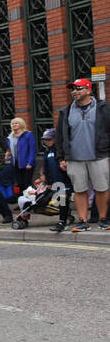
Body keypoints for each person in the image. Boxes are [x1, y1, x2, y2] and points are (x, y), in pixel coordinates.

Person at [53, 78, 110, 231]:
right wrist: (61, 158)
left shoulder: (103, 108)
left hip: (99, 156)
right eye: (73, 89)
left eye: (78, 88)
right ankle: (83, 221)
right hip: (74, 158)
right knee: (79, 190)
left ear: (88, 90)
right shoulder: (66, 112)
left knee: (102, 189)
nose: (74, 92)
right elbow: (60, 136)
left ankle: (103, 219)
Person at [40, 128, 73, 231]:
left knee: (63, 199)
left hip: (64, 179)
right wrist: (48, 181)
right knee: (60, 201)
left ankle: (62, 222)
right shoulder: (47, 152)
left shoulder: (60, 150)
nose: (47, 142)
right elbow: (46, 168)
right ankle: (66, 217)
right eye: (45, 140)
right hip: (55, 181)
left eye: (49, 139)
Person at [7, 117, 36, 205]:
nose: (14, 125)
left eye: (16, 123)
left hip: (27, 163)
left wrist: (30, 162)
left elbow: (32, 149)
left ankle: (30, 202)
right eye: (13, 123)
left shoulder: (28, 135)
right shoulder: (10, 137)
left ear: (21, 124)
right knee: (19, 184)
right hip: (16, 164)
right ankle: (22, 203)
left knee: (27, 184)